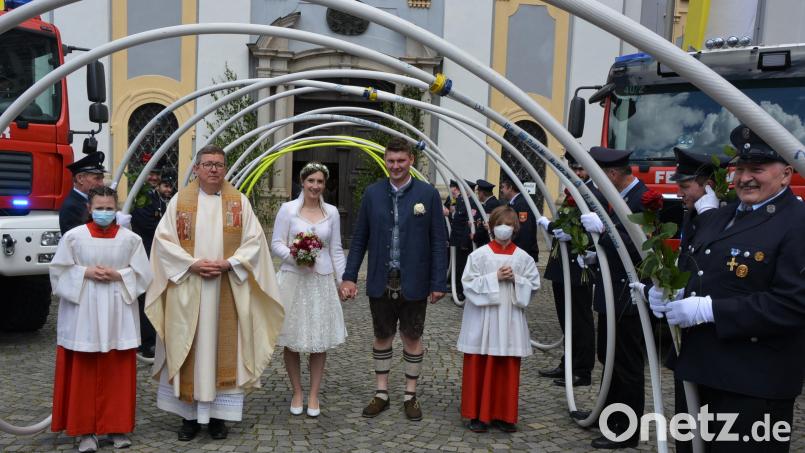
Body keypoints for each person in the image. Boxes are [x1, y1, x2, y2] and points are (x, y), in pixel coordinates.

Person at [655, 125, 805, 453]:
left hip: (752, 384)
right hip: (699, 372)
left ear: (786, 174)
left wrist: (710, 310)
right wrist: (673, 295)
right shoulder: (720, 216)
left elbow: (793, 304)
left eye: (757, 169)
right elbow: (703, 271)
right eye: (741, 168)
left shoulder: (798, 222)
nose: (745, 178)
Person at [145, 145, 284, 441]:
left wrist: (229, 263)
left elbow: (255, 242)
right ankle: (189, 418)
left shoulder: (239, 202)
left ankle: (219, 417)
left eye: (219, 165)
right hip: (188, 287)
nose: (213, 169)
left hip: (226, 288)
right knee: (188, 347)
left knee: (223, 351)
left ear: (225, 169)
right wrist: (191, 264)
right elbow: (163, 243)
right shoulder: (180, 202)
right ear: (196, 168)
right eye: (207, 164)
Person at [339, 137, 448, 421]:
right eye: (391, 161)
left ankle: (410, 395)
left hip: (415, 279)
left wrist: (439, 282)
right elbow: (359, 238)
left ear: (411, 160)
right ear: (385, 161)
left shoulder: (428, 194)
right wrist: (349, 277)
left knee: (412, 336)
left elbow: (439, 241)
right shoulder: (373, 193)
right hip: (381, 277)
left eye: (401, 160)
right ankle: (382, 393)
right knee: (382, 335)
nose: (396, 166)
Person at [50, 186, 153, 452]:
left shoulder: (131, 240)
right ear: (89, 208)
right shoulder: (74, 237)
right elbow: (58, 272)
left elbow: (144, 275)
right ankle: (85, 431)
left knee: (117, 371)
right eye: (99, 208)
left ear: (116, 209)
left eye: (109, 208)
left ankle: (117, 427)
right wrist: (85, 272)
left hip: (118, 312)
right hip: (83, 311)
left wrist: (119, 275)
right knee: (83, 372)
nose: (104, 213)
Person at [579, 147, 648, 449]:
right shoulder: (620, 198)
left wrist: (604, 233)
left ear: (613, 174)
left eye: (600, 178)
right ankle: (607, 415)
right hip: (612, 293)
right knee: (608, 358)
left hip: (627, 297)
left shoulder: (642, 199)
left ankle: (625, 429)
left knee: (626, 364)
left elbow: (637, 245)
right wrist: (596, 256)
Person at [270, 162, 347, 418]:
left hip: (320, 281)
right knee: (292, 339)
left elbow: (336, 249)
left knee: (318, 340)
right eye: (311, 181)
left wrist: (343, 281)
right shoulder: (288, 210)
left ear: (325, 185)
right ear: (302, 182)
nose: (315, 186)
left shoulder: (332, 212)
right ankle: (297, 391)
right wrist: (297, 257)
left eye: (320, 182)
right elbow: (276, 243)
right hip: (294, 279)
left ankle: (314, 394)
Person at [457, 205, 540, 433]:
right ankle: (477, 414)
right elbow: (468, 284)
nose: (504, 228)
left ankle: (504, 414)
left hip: (509, 319)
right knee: (479, 361)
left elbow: (533, 285)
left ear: (515, 229)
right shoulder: (479, 255)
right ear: (492, 226)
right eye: (500, 224)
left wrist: (516, 280)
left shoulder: (523, 258)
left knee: (506, 365)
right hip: (482, 319)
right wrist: (494, 277)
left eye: (509, 225)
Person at [536, 153, 602, 388]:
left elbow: (597, 230)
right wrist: (554, 227)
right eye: (574, 168)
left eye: (581, 169)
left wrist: (570, 235)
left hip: (579, 266)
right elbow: (567, 223)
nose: (577, 173)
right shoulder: (574, 192)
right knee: (567, 320)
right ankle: (568, 364)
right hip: (562, 265)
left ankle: (582, 370)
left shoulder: (593, 194)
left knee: (580, 320)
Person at [131, 169, 176, 358]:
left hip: (161, 256)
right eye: (165, 185)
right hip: (147, 253)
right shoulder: (144, 198)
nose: (168, 189)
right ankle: (146, 341)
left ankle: (155, 337)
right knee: (146, 296)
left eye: (169, 185)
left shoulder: (165, 200)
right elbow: (148, 225)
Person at [59, 152, 106, 235]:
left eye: (102, 179)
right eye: (97, 178)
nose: (102, 184)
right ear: (80, 179)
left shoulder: (89, 201)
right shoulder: (72, 207)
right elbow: (77, 239)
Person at [499, 179, 539, 263]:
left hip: (522, 253)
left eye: (503, 187)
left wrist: (520, 255)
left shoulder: (522, 203)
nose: (501, 190)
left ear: (510, 188)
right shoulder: (514, 202)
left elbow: (525, 231)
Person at [448, 179, 474, 301]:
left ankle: (461, 292)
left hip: (463, 241)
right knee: (458, 266)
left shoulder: (470, 203)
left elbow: (467, 224)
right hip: (457, 239)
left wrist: (464, 242)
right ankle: (458, 290)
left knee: (462, 267)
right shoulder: (461, 200)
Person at [472, 179, 500, 247]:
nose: (477, 195)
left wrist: (475, 237)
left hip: (487, 241)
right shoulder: (490, 203)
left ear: (482, 193)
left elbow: (485, 225)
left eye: (478, 192)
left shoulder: (490, 205)